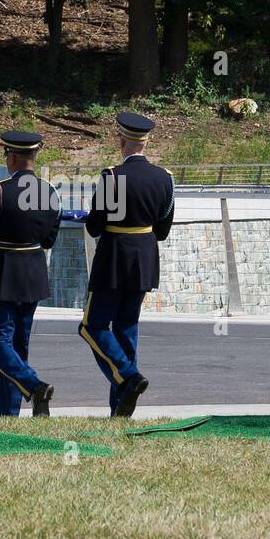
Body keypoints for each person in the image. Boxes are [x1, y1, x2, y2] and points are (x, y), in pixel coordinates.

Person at [80, 112, 174, 418]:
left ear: (122, 142)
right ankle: (120, 408)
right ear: (146, 142)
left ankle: (127, 376)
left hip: (113, 258)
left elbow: (95, 226)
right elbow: (162, 229)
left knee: (92, 326)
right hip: (145, 259)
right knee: (126, 328)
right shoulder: (165, 178)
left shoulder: (111, 176)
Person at [0, 131, 61, 416]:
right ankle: (7, 413)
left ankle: (34, 385)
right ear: (33, 157)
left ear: (11, 157)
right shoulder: (49, 191)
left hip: (6, 271)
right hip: (34, 271)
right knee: (18, 346)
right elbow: (49, 240)